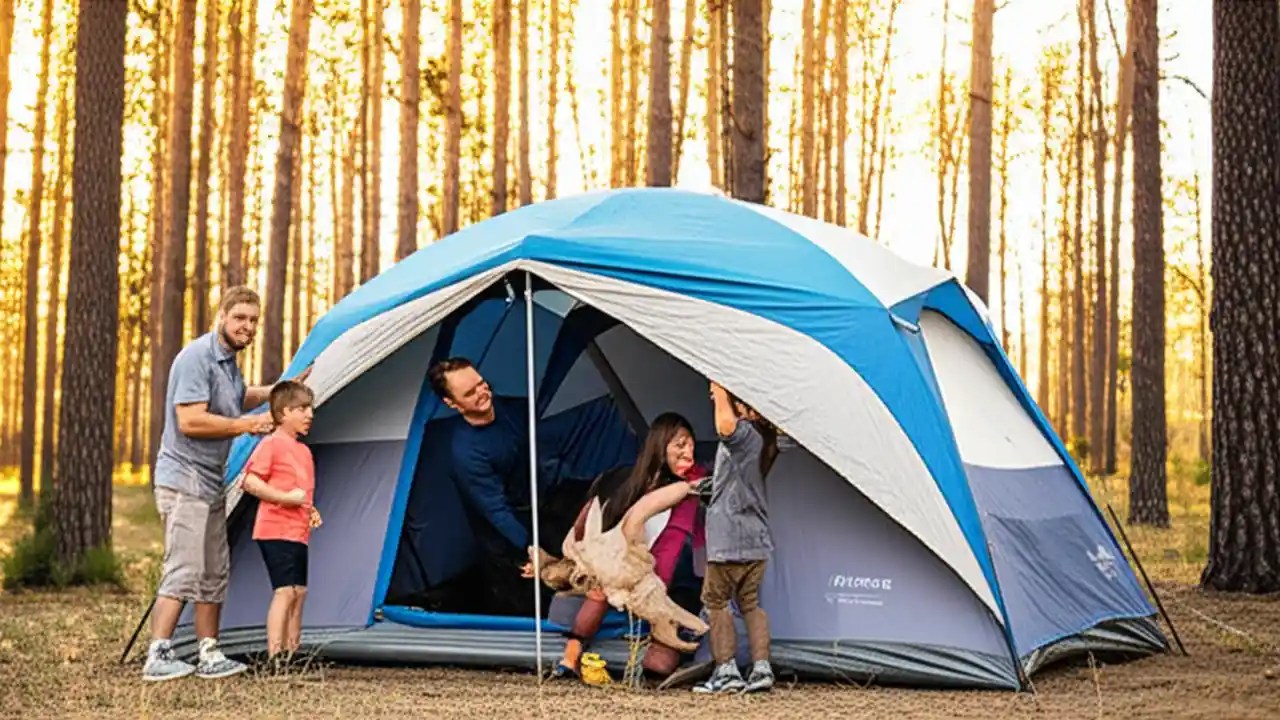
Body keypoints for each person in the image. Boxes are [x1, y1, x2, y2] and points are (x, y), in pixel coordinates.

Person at [142, 286, 308, 682]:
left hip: (210, 482)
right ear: (222, 316)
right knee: (185, 568)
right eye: (240, 318)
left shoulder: (228, 364)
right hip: (184, 480)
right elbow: (191, 420)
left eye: (253, 320)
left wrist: (278, 391)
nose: (247, 326)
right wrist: (248, 425)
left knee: (214, 571)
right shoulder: (197, 357)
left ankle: (209, 652)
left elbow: (238, 396)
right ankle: (157, 654)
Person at [528, 412, 707, 680]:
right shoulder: (622, 480)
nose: (688, 451)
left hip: (653, 579)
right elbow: (586, 524)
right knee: (599, 589)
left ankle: (589, 655)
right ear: (659, 446)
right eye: (680, 445)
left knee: (659, 665)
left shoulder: (688, 489)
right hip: (618, 570)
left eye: (691, 444)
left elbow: (668, 553)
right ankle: (570, 657)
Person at [427, 357, 546, 617]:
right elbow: (496, 510)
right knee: (521, 607)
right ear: (452, 403)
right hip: (504, 537)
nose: (483, 393)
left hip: (537, 508)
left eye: (481, 384)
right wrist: (531, 546)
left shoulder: (511, 409)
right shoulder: (467, 453)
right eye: (470, 393)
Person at [692, 381, 780, 694]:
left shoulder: (745, 434)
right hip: (756, 539)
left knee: (716, 601)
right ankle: (761, 668)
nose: (712, 396)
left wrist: (720, 387)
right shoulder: (766, 438)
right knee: (750, 603)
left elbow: (725, 426)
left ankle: (726, 670)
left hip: (728, 539)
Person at [239, 381, 321, 666]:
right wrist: (284, 498)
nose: (310, 414)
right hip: (274, 528)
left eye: (311, 408)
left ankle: (293, 653)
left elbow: (301, 492)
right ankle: (274, 656)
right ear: (285, 412)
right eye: (303, 409)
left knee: (299, 592)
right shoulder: (271, 444)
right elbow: (249, 481)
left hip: (298, 532)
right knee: (285, 591)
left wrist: (310, 510)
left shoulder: (303, 452)